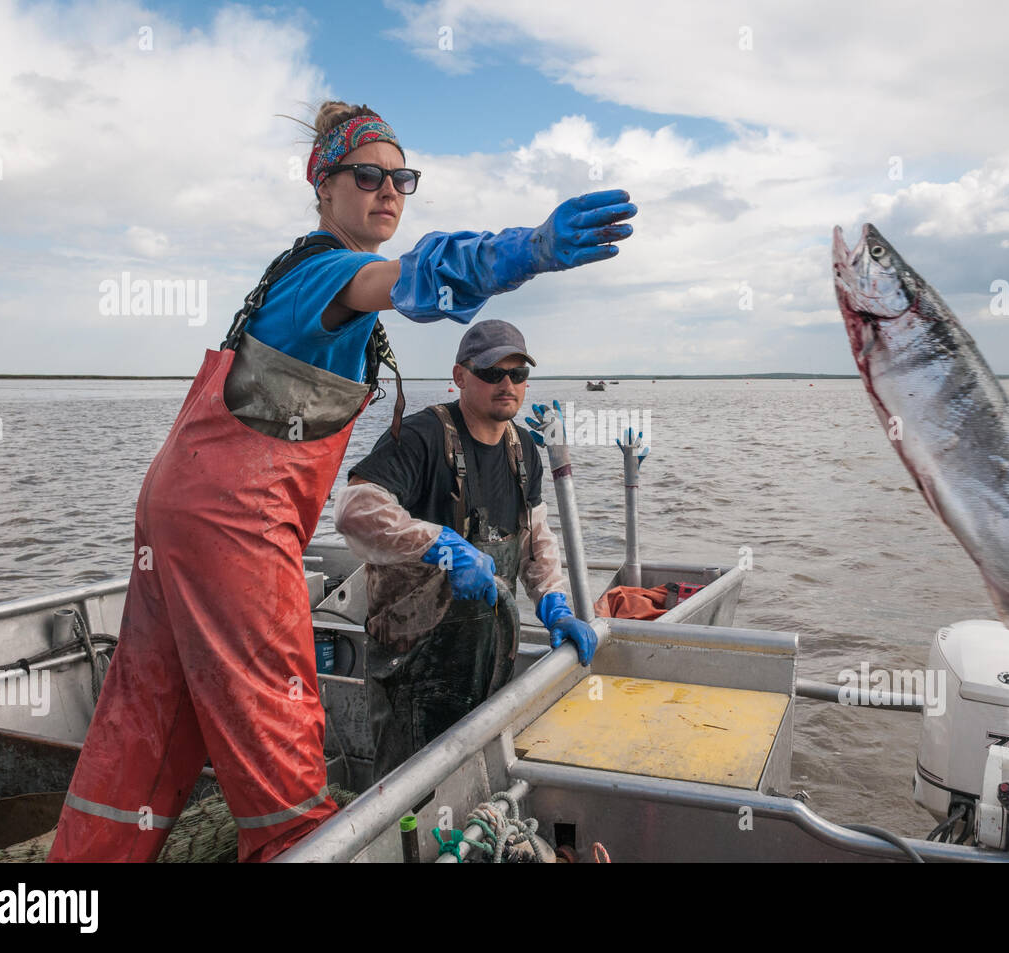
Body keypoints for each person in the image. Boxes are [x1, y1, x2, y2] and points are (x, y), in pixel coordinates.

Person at [48, 101, 635, 862]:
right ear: (321, 184)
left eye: (402, 179)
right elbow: (422, 278)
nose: (388, 191)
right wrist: (525, 251)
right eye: (368, 175)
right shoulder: (331, 271)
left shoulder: (316, 288)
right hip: (235, 529)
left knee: (143, 740)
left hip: (179, 515)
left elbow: (531, 529)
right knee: (289, 788)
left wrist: (551, 594)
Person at [336, 320, 597, 782]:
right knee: (410, 796)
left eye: (516, 374)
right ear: (459, 376)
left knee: (477, 782)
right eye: (492, 373)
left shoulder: (523, 450)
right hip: (411, 666)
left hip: (488, 659)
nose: (507, 385)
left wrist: (555, 605)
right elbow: (356, 509)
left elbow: (535, 534)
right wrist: (439, 544)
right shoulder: (421, 437)